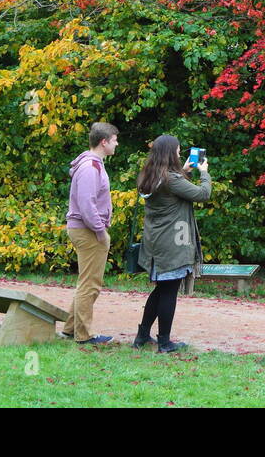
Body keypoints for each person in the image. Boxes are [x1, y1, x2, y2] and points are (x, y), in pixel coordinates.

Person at [133, 135, 211, 353]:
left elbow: (169, 190)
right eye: (177, 151)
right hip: (173, 242)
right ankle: (164, 342)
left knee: (160, 290)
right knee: (169, 292)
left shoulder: (150, 175)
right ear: (169, 153)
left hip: (156, 241)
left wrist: (184, 171)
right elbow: (203, 194)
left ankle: (141, 336)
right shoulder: (171, 179)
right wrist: (204, 173)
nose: (179, 153)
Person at [62, 122, 119, 345]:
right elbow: (87, 204)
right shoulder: (90, 167)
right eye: (114, 140)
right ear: (103, 142)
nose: (117, 144)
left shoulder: (93, 164)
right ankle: (83, 336)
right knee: (90, 285)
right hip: (88, 231)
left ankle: (69, 329)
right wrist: (100, 231)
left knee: (86, 282)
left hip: (86, 230)